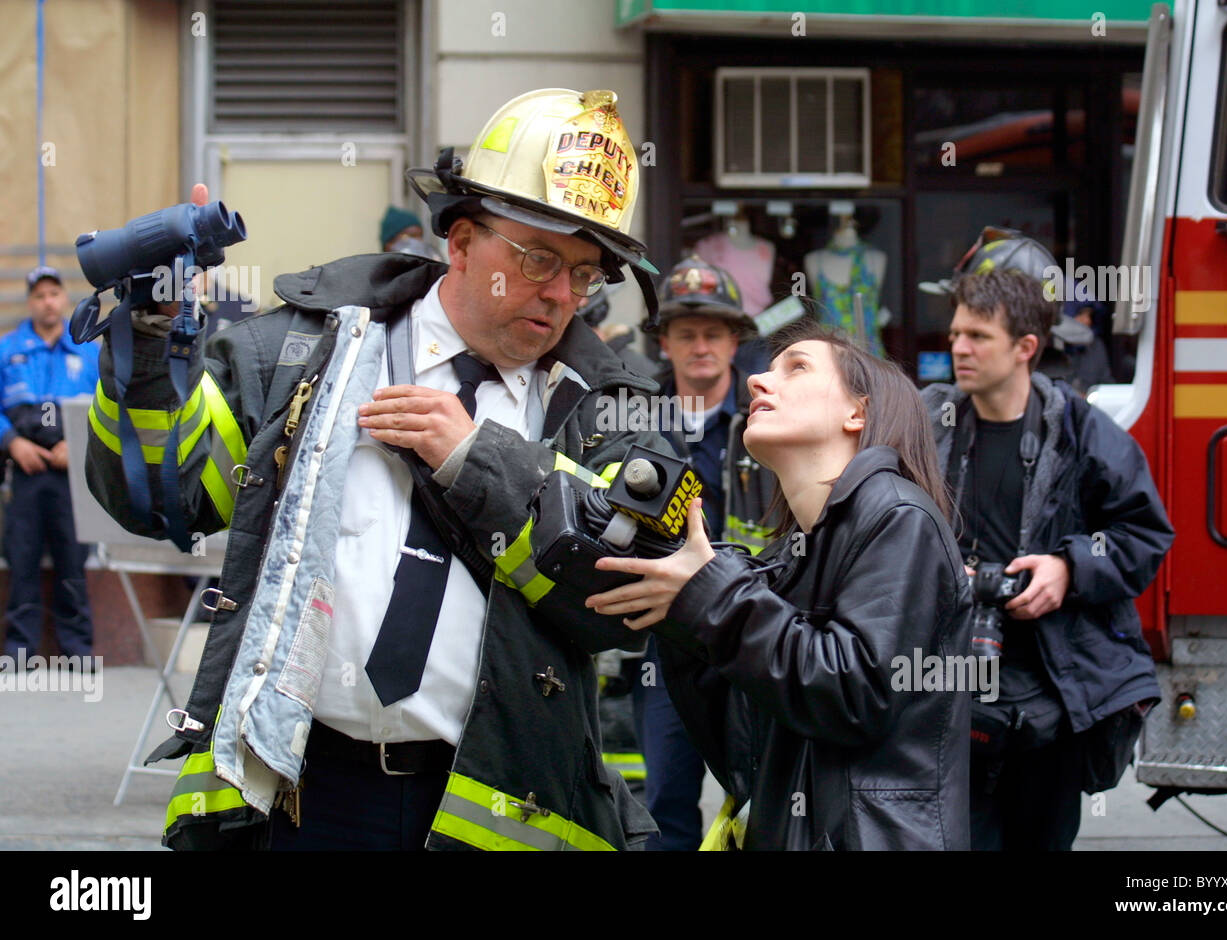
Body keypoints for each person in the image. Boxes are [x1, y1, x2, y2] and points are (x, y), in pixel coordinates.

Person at [86, 87, 670, 851]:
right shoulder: (297, 349)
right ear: (460, 242)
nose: (563, 295)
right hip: (299, 792)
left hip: (493, 809)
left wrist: (475, 460)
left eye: (587, 274)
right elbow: (164, 496)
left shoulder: (616, 401)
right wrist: (149, 338)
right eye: (538, 259)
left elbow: (627, 590)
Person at [589, 324, 974, 850]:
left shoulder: (899, 515)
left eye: (797, 367)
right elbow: (742, 749)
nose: (757, 382)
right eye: (771, 368)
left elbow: (851, 694)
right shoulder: (799, 552)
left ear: (856, 412)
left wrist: (713, 593)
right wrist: (684, 612)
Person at [920, 264, 1173, 851]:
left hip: (1054, 698)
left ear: (1025, 348)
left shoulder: (1082, 431)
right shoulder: (930, 423)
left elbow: (1145, 534)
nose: (959, 347)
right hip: (948, 694)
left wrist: (1068, 569)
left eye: (978, 336)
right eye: (957, 332)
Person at [629, 255, 777, 850]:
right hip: (668, 640)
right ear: (663, 341)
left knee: (769, 796)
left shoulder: (767, 417)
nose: (700, 346)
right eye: (685, 333)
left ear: (734, 340)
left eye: (713, 333)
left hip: (756, 629)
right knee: (666, 797)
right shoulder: (632, 421)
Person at [1, 266, 100, 664]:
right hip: (24, 472)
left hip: (72, 476)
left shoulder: (89, 352)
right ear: (31, 302)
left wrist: (76, 446)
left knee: (72, 560)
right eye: (39, 295)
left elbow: (106, 412)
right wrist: (13, 442)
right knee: (21, 557)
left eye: (54, 294)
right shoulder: (8, 349)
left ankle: (77, 650)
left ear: (64, 300)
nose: (47, 302)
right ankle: (19, 651)